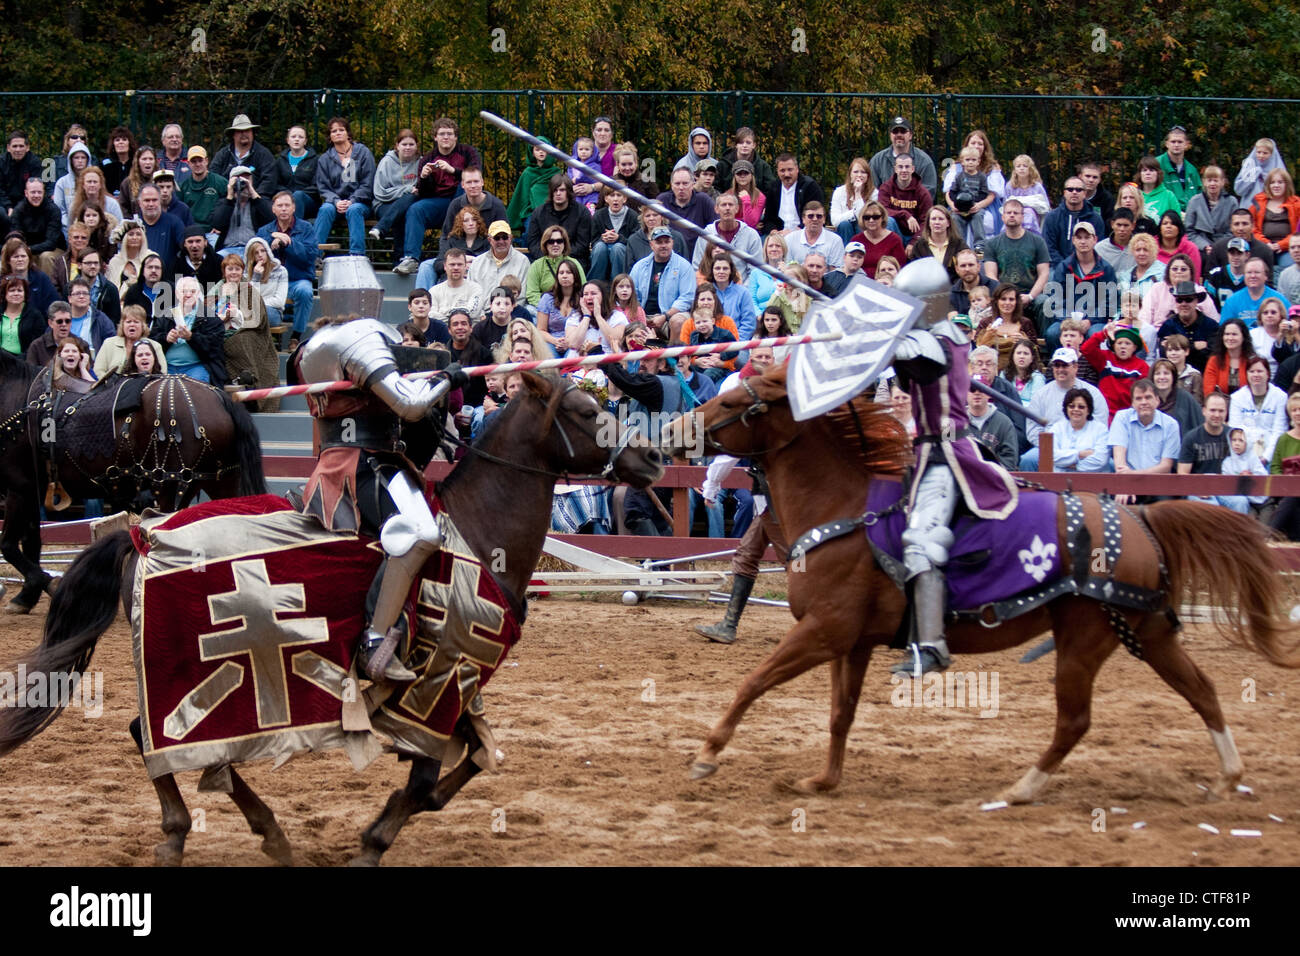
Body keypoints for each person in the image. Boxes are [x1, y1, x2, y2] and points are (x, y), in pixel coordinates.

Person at [295, 303, 467, 682]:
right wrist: (446, 379)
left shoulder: (312, 350)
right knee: (423, 534)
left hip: (341, 460)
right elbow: (409, 405)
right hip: (367, 463)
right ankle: (375, 640)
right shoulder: (356, 339)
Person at [888, 260, 1018, 676]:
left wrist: (875, 337)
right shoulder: (937, 337)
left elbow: (914, 361)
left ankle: (932, 646)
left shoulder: (939, 342)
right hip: (923, 451)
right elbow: (907, 378)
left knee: (922, 544)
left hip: (944, 455)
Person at [395, 117, 483, 276]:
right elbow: (424, 193)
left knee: (462, 189)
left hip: (464, 203)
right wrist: (423, 177)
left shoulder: (468, 152)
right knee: (416, 209)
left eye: (450, 134)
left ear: (456, 137)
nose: (446, 137)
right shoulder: (428, 159)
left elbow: (475, 176)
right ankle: (411, 258)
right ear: (435, 137)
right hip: (440, 203)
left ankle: (465, 253)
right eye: (442, 134)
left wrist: (453, 170)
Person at [1022, 347, 1109, 469]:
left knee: (1109, 463)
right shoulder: (1041, 394)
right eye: (1057, 365)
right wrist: (1054, 449)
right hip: (1050, 446)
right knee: (1027, 460)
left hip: (1086, 446)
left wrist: (1077, 454)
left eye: (1065, 365)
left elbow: (1101, 426)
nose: (1060, 369)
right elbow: (1032, 429)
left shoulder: (1093, 393)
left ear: (1075, 367)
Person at [256, 191, 319, 348]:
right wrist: (272, 241)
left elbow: (309, 257)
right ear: (273, 209)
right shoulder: (264, 231)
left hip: (296, 280)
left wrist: (288, 241)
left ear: (293, 208)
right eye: (280, 205)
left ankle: (295, 336)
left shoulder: (306, 228)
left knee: (305, 291)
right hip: (271, 283)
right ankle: (262, 341)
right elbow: (257, 256)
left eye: (287, 205)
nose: (283, 209)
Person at [212, 253, 278, 400]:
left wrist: (237, 315)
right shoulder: (215, 292)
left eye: (237, 269)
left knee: (240, 341)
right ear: (224, 271)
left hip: (249, 332)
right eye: (230, 269)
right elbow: (207, 315)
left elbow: (257, 318)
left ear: (242, 271)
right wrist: (219, 320)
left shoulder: (249, 290)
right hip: (220, 331)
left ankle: (249, 380)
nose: (233, 272)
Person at [311, 117, 375, 258]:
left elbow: (367, 183)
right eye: (334, 131)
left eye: (341, 130)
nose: (338, 133)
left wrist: (352, 200)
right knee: (325, 209)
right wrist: (335, 201)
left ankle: (357, 256)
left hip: (360, 203)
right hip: (335, 203)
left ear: (348, 133)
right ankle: (314, 256)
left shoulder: (363, 153)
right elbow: (323, 187)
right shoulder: (325, 159)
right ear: (330, 137)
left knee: (354, 210)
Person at [1108, 379, 1180, 504]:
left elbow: (1166, 466)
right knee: (1121, 504)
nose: (1144, 402)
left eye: (1148, 397)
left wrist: (1134, 474)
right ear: (1132, 403)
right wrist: (1125, 484)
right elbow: (1119, 460)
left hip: (1158, 484)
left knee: (1166, 511)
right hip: (1128, 482)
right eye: (1139, 398)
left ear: (1157, 400)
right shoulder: (1121, 418)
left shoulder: (1171, 424)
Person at [149, 275, 226, 385]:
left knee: (195, 391)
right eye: (184, 291)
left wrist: (191, 337)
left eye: (193, 291)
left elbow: (215, 347)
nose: (188, 295)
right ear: (177, 293)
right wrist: (166, 338)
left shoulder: (209, 317)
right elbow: (152, 341)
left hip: (196, 367)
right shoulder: (166, 315)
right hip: (167, 366)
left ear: (198, 294)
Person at [981, 198, 1050, 314]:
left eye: (1016, 213)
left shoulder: (1038, 241)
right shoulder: (992, 244)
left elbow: (1044, 273)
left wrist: (1030, 296)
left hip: (1031, 294)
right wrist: (1006, 296)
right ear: (1003, 217)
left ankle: (1043, 333)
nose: (1012, 215)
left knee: (1044, 301)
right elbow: (990, 274)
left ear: (1023, 217)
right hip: (1003, 296)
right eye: (1008, 213)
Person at [631, 226, 696, 343]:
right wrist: (640, 316)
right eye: (659, 242)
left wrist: (665, 316)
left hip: (670, 316)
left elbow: (687, 298)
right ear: (651, 245)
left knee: (679, 322)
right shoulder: (639, 266)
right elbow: (632, 294)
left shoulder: (684, 266)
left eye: (667, 241)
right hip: (644, 316)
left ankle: (671, 358)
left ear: (672, 243)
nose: (663, 245)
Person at [367, 129, 419, 263]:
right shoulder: (387, 162)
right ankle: (400, 259)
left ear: (416, 146)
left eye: (411, 144)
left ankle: (381, 228)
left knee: (409, 202)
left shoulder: (420, 163)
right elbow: (380, 192)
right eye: (404, 144)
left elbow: (419, 190)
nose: (408, 147)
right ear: (397, 146)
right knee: (403, 207)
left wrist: (407, 192)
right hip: (384, 205)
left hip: (407, 205)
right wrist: (405, 190)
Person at [1081, 322, 1148, 421]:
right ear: (1113, 346)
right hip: (1104, 413)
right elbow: (1086, 349)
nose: (1123, 346)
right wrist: (1104, 334)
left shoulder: (1142, 366)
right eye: (1119, 343)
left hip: (1129, 415)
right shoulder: (1105, 359)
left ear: (1134, 347)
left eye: (1127, 343)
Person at [1228, 355, 1288, 465]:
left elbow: (1279, 431)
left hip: (1272, 455)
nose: (1256, 375)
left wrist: (1266, 458)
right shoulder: (1237, 397)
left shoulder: (1280, 397)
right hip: (1243, 455)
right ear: (1246, 374)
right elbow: (1235, 430)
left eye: (1260, 371)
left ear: (1268, 374)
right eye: (1252, 371)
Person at [526, 176, 593, 271]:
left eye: (562, 190)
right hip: (544, 260)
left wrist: (560, 258)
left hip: (574, 262)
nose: (558, 193)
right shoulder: (539, 213)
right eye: (555, 190)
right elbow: (533, 243)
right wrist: (549, 257)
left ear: (569, 192)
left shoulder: (582, 212)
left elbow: (582, 244)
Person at [692, 191, 762, 280]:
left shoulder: (751, 235)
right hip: (711, 290)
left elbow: (755, 271)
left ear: (737, 208)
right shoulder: (706, 235)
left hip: (742, 289)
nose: (727, 208)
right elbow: (697, 267)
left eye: (731, 205)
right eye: (723, 205)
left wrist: (742, 290)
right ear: (716, 209)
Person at [1041, 177, 1106, 268]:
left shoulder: (1095, 219)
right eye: (1070, 189)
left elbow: (1099, 246)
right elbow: (1048, 247)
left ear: (1085, 194)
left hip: (1088, 267)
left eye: (1079, 190)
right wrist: (1064, 267)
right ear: (1064, 193)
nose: (1074, 192)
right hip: (1058, 267)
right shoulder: (1052, 217)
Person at [420, 205, 489, 288]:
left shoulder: (487, 241)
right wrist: (459, 261)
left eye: (474, 220)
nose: (471, 223)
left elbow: (490, 265)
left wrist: (474, 262)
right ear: (461, 224)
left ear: (478, 223)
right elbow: (438, 265)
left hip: (476, 282)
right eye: (466, 221)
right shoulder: (452, 240)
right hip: (451, 282)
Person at [869, 116, 938, 199]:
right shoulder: (877, 161)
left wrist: (906, 206)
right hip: (884, 209)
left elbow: (928, 193)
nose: (899, 135)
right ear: (890, 135)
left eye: (903, 131)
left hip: (914, 210)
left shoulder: (924, 161)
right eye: (895, 131)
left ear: (911, 135)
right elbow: (871, 191)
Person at [210, 114, 278, 197]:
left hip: (256, 201)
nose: (244, 134)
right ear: (233, 135)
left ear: (253, 133)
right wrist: (228, 194)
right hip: (227, 200)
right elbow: (213, 177)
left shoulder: (264, 154)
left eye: (247, 130)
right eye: (239, 131)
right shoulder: (222, 154)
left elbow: (270, 180)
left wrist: (255, 195)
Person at [1247, 167, 1300, 274]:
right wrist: (1266, 243)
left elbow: (1298, 231)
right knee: (1257, 269)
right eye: (1272, 183)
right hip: (1262, 246)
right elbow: (1251, 227)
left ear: (1287, 184)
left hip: (1287, 247)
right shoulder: (1258, 201)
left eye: (1280, 182)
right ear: (1268, 185)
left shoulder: (1296, 203)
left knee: (1288, 269)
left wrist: (1281, 244)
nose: (1276, 186)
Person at [1047, 388, 1111, 472]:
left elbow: (1100, 460)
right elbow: (1051, 456)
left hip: (1092, 481)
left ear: (1088, 410)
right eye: (1071, 406)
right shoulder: (1056, 428)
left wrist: (1075, 466)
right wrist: (1080, 454)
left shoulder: (1101, 430)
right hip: (1059, 480)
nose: (1076, 409)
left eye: (1081, 407)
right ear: (1066, 408)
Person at [760, 153, 825, 234]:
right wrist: (774, 232)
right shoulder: (774, 188)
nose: (786, 174)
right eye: (782, 170)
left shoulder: (809, 186)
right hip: (779, 235)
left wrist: (794, 233)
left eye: (790, 170)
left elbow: (816, 216)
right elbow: (769, 219)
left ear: (797, 169)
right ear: (777, 171)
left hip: (804, 233)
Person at [523, 225, 587, 307]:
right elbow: (532, 293)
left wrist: (566, 305)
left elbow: (583, 289)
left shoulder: (574, 263)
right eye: (551, 241)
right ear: (545, 244)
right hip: (545, 307)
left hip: (571, 307)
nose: (555, 244)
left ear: (565, 243)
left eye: (559, 241)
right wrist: (550, 307)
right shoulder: (536, 265)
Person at [94, 304, 166, 376]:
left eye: (136, 322)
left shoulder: (155, 346)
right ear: (122, 325)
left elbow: (162, 372)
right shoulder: (109, 343)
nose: (132, 325)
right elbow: (98, 370)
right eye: (128, 322)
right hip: (113, 386)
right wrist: (109, 384)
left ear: (143, 325)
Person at [505, 136, 558, 233]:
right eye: (537, 149)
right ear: (532, 153)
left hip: (553, 211)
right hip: (532, 212)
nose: (541, 152)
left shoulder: (556, 172)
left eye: (544, 149)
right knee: (530, 230)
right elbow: (521, 196)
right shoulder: (528, 173)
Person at [945, 145, 994, 247]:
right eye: (967, 160)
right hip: (961, 207)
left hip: (975, 206)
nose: (970, 162)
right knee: (955, 218)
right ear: (962, 162)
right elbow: (952, 192)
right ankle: (960, 244)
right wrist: (956, 204)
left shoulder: (981, 177)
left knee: (978, 217)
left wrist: (975, 203)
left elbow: (984, 192)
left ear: (978, 161)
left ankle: (979, 244)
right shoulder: (959, 176)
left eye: (973, 160)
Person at [1220, 257, 1291, 325]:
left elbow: (1290, 325)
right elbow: (1224, 329)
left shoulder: (1279, 300)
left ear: (1266, 276)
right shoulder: (1232, 301)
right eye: (1249, 272)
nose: (1253, 276)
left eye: (1257, 272)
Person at [876, 154, 931, 241]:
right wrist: (905, 214)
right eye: (900, 167)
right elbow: (882, 210)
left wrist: (913, 242)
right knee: (889, 220)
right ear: (895, 169)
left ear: (912, 169)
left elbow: (925, 221)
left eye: (907, 167)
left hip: (915, 236)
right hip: (893, 233)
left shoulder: (922, 192)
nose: (904, 170)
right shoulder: (886, 188)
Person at [1268, 392, 1300, 540]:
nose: (1298, 413)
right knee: (1291, 501)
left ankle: (1269, 536)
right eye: (1294, 410)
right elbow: (1275, 467)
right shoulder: (1283, 439)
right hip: (1286, 490)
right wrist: (1286, 484)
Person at [589, 186, 638, 282]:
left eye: (619, 195)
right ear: (606, 198)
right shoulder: (599, 215)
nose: (615, 199)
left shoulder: (633, 216)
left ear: (624, 199)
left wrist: (619, 238)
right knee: (599, 247)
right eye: (612, 195)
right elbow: (593, 241)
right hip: (602, 250)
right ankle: (595, 284)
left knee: (617, 248)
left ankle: (618, 284)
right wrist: (603, 239)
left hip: (623, 253)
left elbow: (635, 243)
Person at [1183, 165, 1234, 257]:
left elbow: (1232, 230)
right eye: (1209, 180)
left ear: (1222, 182)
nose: (1212, 184)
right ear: (1204, 182)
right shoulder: (1194, 201)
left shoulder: (1231, 202)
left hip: (1224, 245)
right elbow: (1189, 230)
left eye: (1216, 180)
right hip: (1200, 247)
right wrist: (1205, 246)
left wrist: (1218, 246)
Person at [907, 206, 967, 282]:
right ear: (928, 223)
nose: (937, 222)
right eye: (933, 219)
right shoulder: (919, 245)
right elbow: (913, 272)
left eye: (941, 219)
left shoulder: (959, 244)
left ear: (948, 223)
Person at [966, 381, 1019, 470]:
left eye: (982, 389)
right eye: (972, 389)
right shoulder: (951, 421)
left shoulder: (1005, 422)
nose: (977, 393)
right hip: (962, 478)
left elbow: (1010, 460)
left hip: (994, 479)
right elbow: (945, 454)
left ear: (989, 393)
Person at [535, 258, 582, 355]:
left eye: (568, 272)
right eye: (561, 273)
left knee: (571, 358)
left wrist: (568, 343)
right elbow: (540, 330)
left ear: (575, 276)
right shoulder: (547, 298)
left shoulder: (583, 298)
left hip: (575, 341)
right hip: (551, 341)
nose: (564, 276)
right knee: (550, 360)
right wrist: (555, 341)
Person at [274, 125, 320, 221]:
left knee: (298, 196)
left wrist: (296, 196)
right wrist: (288, 196)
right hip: (285, 200)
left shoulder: (315, 160)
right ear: (288, 140)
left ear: (305, 141)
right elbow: (276, 183)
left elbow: (317, 185)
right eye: (293, 136)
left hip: (309, 201)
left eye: (300, 137)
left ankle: (294, 231)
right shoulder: (280, 161)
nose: (297, 139)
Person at [469, 219, 530, 292]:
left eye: (505, 237)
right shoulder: (477, 263)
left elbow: (522, 295)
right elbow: (470, 293)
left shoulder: (523, 261)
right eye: (496, 238)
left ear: (511, 238)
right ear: (489, 240)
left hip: (513, 303)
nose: (501, 241)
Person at [2, 236, 59, 314]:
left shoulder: (41, 278)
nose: (20, 259)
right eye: (16, 257)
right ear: (8, 260)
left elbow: (54, 305)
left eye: (23, 256)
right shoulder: (2, 281)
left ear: (29, 259)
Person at [426, 248, 484, 324]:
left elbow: (473, 313)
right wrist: (460, 313)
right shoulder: (434, 291)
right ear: (445, 266)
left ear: (465, 266)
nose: (456, 267)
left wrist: (446, 314)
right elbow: (431, 315)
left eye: (459, 264)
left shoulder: (475, 289)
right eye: (452, 264)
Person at [177, 147, 228, 232]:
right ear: (188, 163)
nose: (197, 164)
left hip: (213, 232)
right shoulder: (183, 186)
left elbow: (229, 205)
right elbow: (179, 212)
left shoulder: (220, 182)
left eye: (200, 160)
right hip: (192, 232)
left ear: (206, 161)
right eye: (193, 161)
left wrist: (221, 225)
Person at [1150, 357, 1203, 438]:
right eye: (1157, 373)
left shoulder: (1185, 398)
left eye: (1166, 373)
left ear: (1173, 376)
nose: (1162, 377)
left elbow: (1200, 423)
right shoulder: (1147, 399)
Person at [1202, 318, 1255, 398]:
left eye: (1234, 334)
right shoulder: (1214, 361)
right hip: (1219, 406)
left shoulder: (1253, 360)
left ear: (1243, 337)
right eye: (1227, 334)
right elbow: (1209, 391)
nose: (1230, 338)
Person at [243, 236, 288, 328]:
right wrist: (256, 278)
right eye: (256, 253)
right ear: (251, 256)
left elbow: (279, 301)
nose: (260, 255)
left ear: (268, 252)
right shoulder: (246, 274)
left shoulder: (281, 271)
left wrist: (257, 304)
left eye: (263, 251)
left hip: (273, 312)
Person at [135, 183, 185, 264]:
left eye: (154, 200)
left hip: (170, 275)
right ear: (139, 203)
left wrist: (178, 276)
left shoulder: (174, 223)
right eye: (147, 200)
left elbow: (184, 253)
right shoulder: (134, 225)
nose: (151, 204)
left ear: (160, 201)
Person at [657, 166, 716, 232]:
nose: (681, 187)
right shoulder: (663, 200)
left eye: (685, 183)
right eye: (677, 184)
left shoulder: (703, 200)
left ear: (692, 184)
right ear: (672, 185)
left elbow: (716, 227)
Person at [1156, 126, 1201, 212]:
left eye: (1180, 142)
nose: (1176, 145)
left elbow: (1200, 196)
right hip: (1165, 217)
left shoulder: (1192, 170)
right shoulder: (1156, 165)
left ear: (1186, 144)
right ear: (1167, 144)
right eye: (1173, 142)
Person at [831, 157, 874, 244]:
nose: (859, 175)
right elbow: (835, 221)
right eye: (856, 172)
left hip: (866, 230)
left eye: (863, 172)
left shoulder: (874, 193)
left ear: (868, 176)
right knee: (844, 224)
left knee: (859, 226)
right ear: (850, 174)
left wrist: (858, 194)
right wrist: (852, 213)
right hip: (845, 230)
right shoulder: (839, 192)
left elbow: (863, 220)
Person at [1003, 155, 1050, 235]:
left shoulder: (1037, 187)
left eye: (1025, 166)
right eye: (1018, 166)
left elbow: (1045, 206)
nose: (1022, 168)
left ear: (1030, 169)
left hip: (1034, 219)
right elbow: (1005, 205)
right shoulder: (1010, 186)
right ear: (1015, 169)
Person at [1, 129, 42, 217]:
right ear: (8, 148)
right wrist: (8, 207)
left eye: (21, 146)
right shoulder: (1, 162)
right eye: (14, 146)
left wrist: (18, 209)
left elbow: (35, 189)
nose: (18, 149)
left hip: (27, 203)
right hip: (4, 204)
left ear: (27, 147)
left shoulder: (34, 163)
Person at [1234, 138, 1286, 206]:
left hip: (1271, 209)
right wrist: (1254, 173)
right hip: (1249, 207)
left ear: (1272, 154)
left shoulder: (1279, 170)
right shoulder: (1250, 167)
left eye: (1265, 153)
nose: (1261, 156)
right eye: (1258, 152)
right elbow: (1239, 190)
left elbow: (1285, 191)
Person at [1, 275, 42, 357]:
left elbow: (37, 344)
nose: (16, 294)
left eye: (19, 290)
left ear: (25, 293)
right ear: (5, 294)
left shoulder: (34, 315)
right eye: (12, 290)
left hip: (24, 363)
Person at [1155, 210, 1201, 280]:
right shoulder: (1151, 248)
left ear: (1179, 228)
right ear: (1160, 228)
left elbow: (1195, 276)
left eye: (1173, 223)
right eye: (1165, 223)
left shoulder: (1191, 248)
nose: (1168, 226)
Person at [1135, 155, 1181, 221]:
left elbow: (1177, 222)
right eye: (1144, 170)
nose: (1148, 173)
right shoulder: (1134, 195)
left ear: (1158, 173)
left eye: (1151, 170)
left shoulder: (1169, 196)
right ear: (1140, 174)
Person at [1095, 208, 1136, 276]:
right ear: (1112, 224)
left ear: (1133, 226)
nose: (1122, 229)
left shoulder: (1139, 248)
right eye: (1119, 225)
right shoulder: (1100, 248)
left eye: (1126, 225)